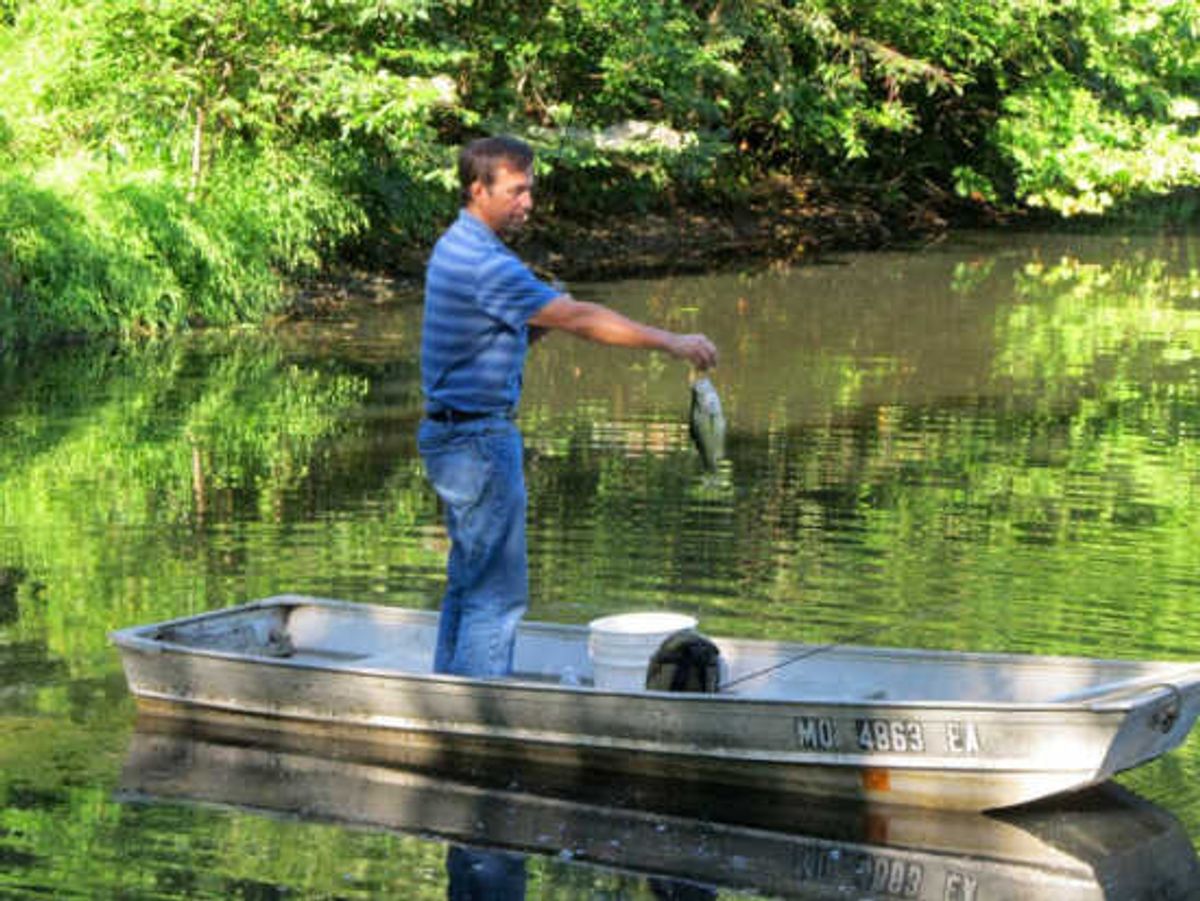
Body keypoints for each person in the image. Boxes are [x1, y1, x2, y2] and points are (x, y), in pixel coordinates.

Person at [419, 135, 717, 678]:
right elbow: (581, 319)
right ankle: (480, 711)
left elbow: (477, 343)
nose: (528, 202)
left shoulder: (456, 246)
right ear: (476, 188)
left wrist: (530, 326)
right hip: (479, 442)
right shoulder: (486, 264)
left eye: (530, 190)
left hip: (452, 436)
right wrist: (672, 342)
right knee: (498, 592)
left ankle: (451, 692)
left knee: (469, 577)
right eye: (516, 191)